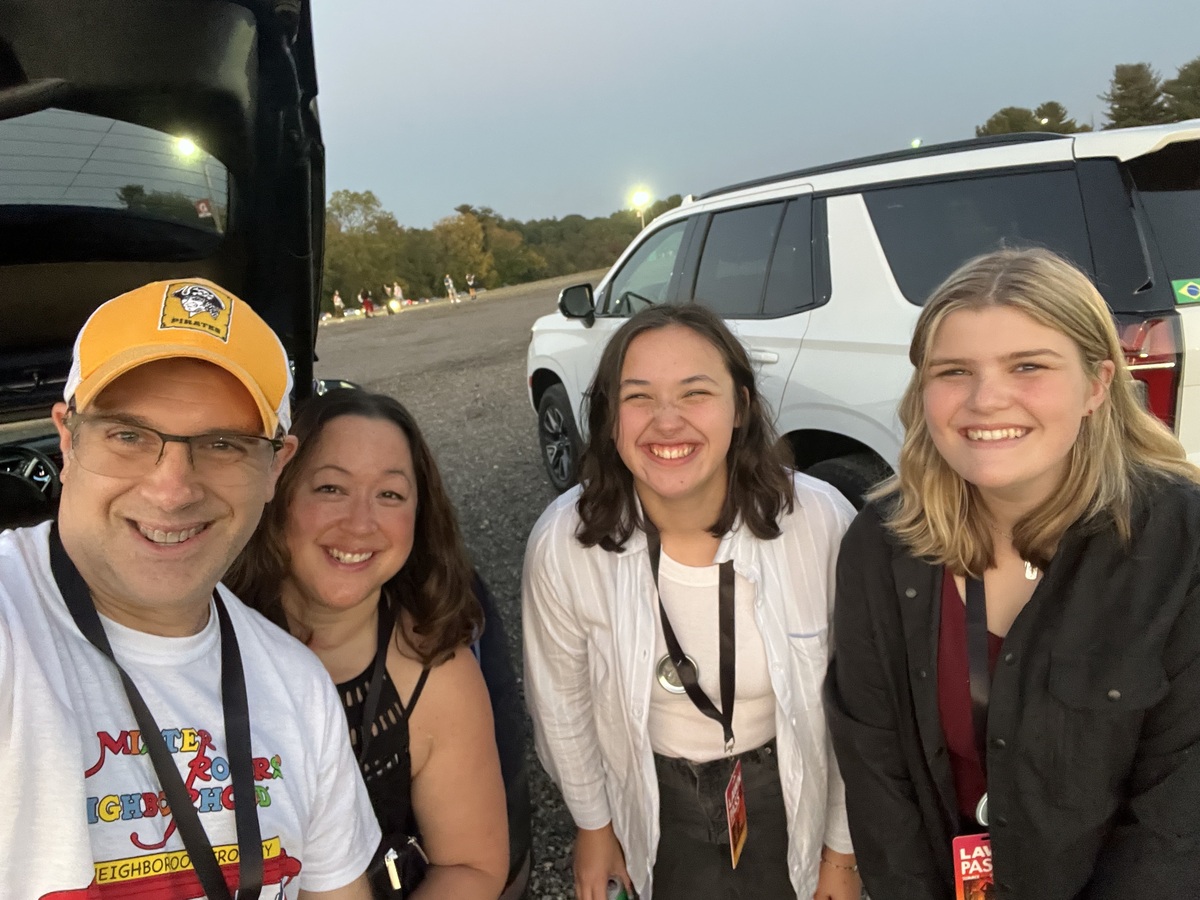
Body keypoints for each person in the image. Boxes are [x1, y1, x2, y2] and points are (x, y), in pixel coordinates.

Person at [824, 247, 1200, 899]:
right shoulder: (882, 544)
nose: (986, 399)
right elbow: (879, 777)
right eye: (954, 371)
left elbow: (1178, 815)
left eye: (1028, 366)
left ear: (1097, 384)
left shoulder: (1181, 542)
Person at [0, 279, 379, 898]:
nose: (172, 489)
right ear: (68, 440)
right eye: (128, 436)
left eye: (222, 444)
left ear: (275, 468)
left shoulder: (297, 686)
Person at [522, 304, 861, 900]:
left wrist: (840, 851)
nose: (666, 422)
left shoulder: (821, 521)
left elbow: (860, 710)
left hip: (792, 785)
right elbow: (561, 704)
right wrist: (594, 826)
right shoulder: (564, 542)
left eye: (695, 392)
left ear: (742, 407)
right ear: (608, 419)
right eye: (638, 397)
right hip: (656, 796)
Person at [227, 388, 509, 899]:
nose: (360, 523)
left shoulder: (435, 673)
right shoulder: (198, 632)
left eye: (390, 495)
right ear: (278, 490)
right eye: (332, 488)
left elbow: (471, 866)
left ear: (419, 517)